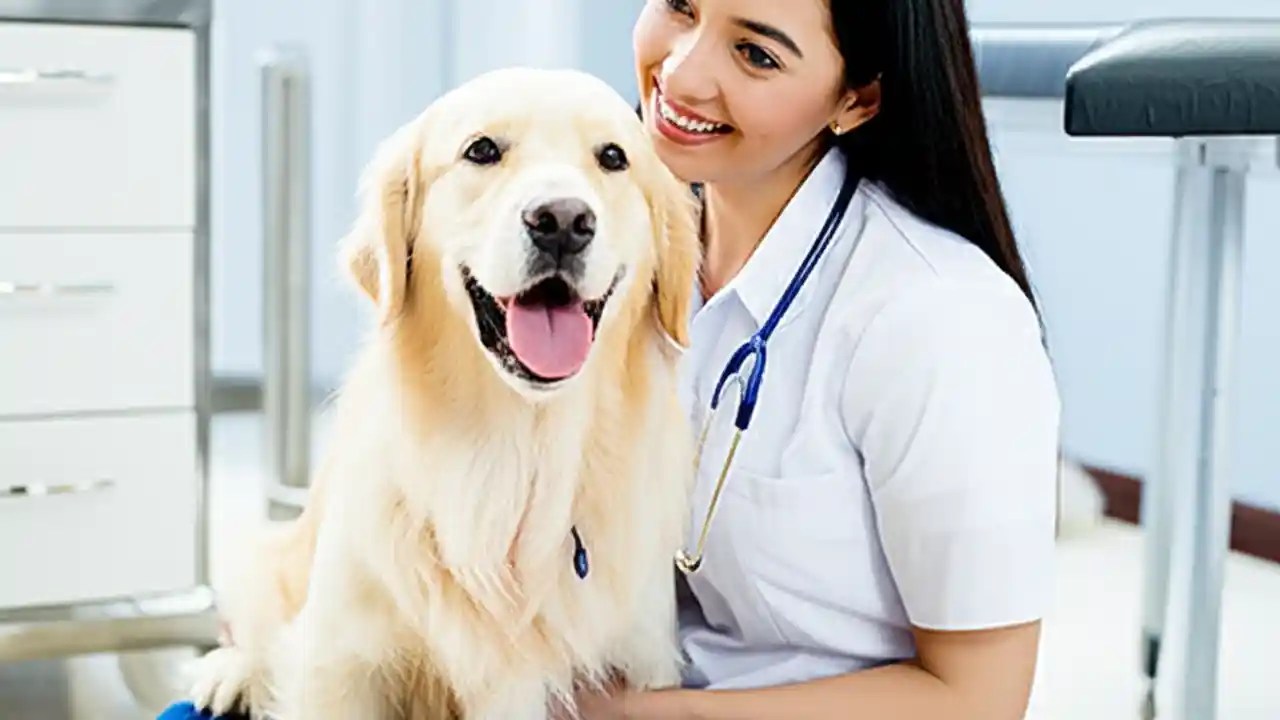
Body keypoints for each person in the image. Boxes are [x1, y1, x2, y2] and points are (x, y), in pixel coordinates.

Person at [566, 0, 1062, 718]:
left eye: (755, 55)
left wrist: (638, 716)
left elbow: (980, 701)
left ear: (856, 100)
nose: (681, 72)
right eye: (680, 7)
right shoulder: (623, 242)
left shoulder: (937, 317)